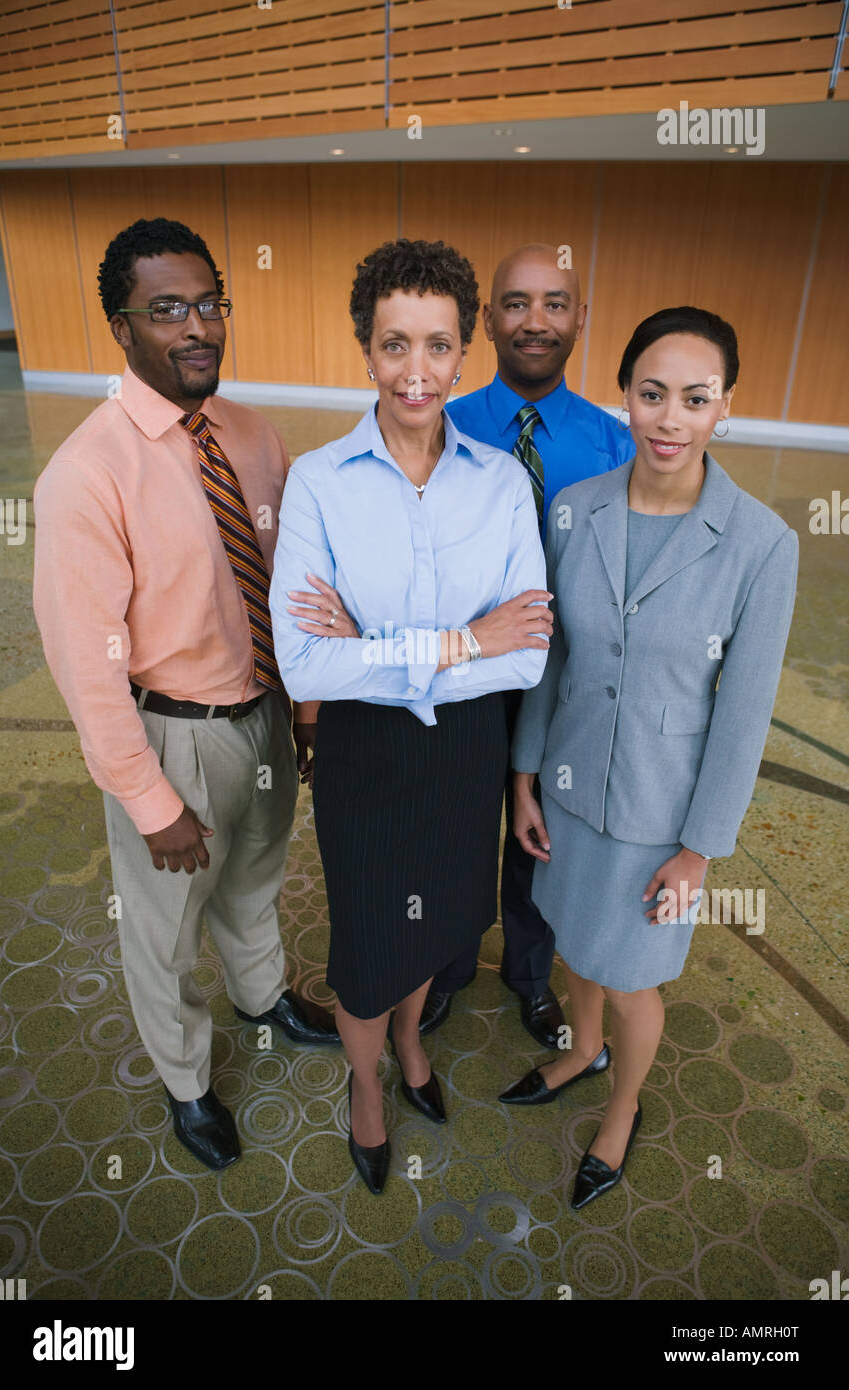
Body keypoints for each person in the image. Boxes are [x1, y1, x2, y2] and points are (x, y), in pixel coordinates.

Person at [32, 218, 339, 1174]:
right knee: (163, 936)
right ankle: (189, 1084)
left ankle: (261, 996)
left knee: (255, 880)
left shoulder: (251, 435)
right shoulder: (87, 472)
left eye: (210, 303)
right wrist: (150, 798)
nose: (198, 326)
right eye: (168, 309)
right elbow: (87, 666)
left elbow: (286, 582)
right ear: (121, 328)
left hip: (260, 717)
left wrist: (300, 709)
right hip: (170, 735)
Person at [269, 238, 551, 1195]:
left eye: (437, 345)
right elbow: (306, 658)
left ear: (463, 352)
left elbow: (533, 648)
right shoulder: (317, 481)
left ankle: (415, 1052)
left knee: (435, 936)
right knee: (366, 951)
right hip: (365, 756)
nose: (416, 371)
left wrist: (376, 644)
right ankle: (368, 1087)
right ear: (366, 349)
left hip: (466, 754)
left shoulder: (501, 483)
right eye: (396, 344)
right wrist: (459, 642)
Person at [507, 306, 798, 1210]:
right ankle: (580, 1050)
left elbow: (744, 714)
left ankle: (621, 1104)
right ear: (624, 397)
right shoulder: (574, 508)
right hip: (567, 786)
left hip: (660, 813)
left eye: (695, 399)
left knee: (633, 977)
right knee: (575, 944)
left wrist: (698, 849)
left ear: (725, 409)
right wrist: (523, 776)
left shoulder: (762, 545)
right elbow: (553, 658)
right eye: (652, 394)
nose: (670, 418)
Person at [423, 243, 636, 1047]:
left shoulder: (613, 444)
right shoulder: (444, 419)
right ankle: (443, 967)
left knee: (540, 836)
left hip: (566, 682)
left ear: (580, 317)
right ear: (488, 320)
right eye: (516, 303)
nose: (535, 320)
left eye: (555, 303)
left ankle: (529, 975)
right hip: (463, 670)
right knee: (452, 832)